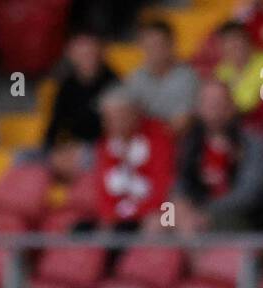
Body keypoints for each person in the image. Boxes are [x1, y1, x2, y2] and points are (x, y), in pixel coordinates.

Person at [174, 79, 263, 233]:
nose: (214, 108)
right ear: (198, 108)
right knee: (160, 221)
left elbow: (249, 195)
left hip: (239, 218)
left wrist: (207, 211)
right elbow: (180, 183)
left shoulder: (253, 143)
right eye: (208, 102)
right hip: (195, 214)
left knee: (191, 227)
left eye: (219, 102)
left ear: (232, 106)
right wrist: (180, 203)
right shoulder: (190, 143)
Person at [90, 88, 176, 232]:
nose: (115, 123)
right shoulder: (104, 146)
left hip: (156, 210)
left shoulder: (158, 139)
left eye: (121, 116)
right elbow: (102, 191)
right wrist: (112, 215)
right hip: (119, 216)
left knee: (158, 224)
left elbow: (163, 188)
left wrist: (134, 212)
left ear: (136, 115)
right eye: (109, 118)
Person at [42, 31, 119, 183]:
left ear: (100, 52)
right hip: (70, 146)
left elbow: (116, 131)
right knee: (24, 157)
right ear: (71, 55)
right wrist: (52, 149)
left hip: (101, 148)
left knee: (83, 157)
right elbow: (55, 123)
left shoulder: (113, 83)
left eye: (90, 52)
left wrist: (76, 149)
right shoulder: (66, 85)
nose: (87, 57)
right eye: (82, 53)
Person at [122, 18, 200, 133]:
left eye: (158, 45)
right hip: (146, 142)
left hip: (179, 142)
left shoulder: (188, 77)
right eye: (148, 46)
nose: (153, 51)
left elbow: (182, 122)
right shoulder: (135, 78)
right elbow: (128, 119)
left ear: (171, 45)